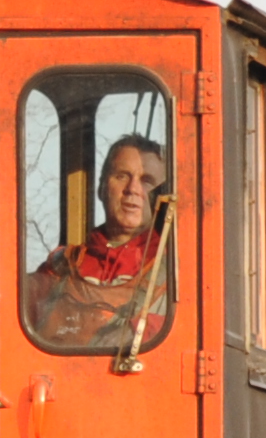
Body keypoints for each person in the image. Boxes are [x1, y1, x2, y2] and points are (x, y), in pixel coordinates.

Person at [24, 132, 173, 355]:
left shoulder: (176, 278)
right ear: (102, 188)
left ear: (161, 197)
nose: (133, 189)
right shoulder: (58, 268)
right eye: (122, 176)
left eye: (147, 181)